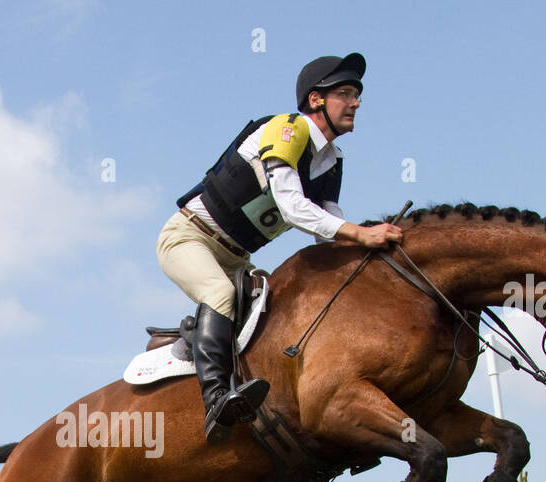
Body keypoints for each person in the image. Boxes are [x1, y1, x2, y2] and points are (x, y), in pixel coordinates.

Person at [159, 52, 403, 444]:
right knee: (219, 294)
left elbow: (327, 232)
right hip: (189, 238)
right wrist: (359, 234)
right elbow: (292, 205)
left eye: (357, 94)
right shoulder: (287, 129)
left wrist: (368, 251)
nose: (356, 102)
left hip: (237, 258)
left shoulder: (331, 161)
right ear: (315, 100)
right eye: (345, 93)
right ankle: (217, 400)